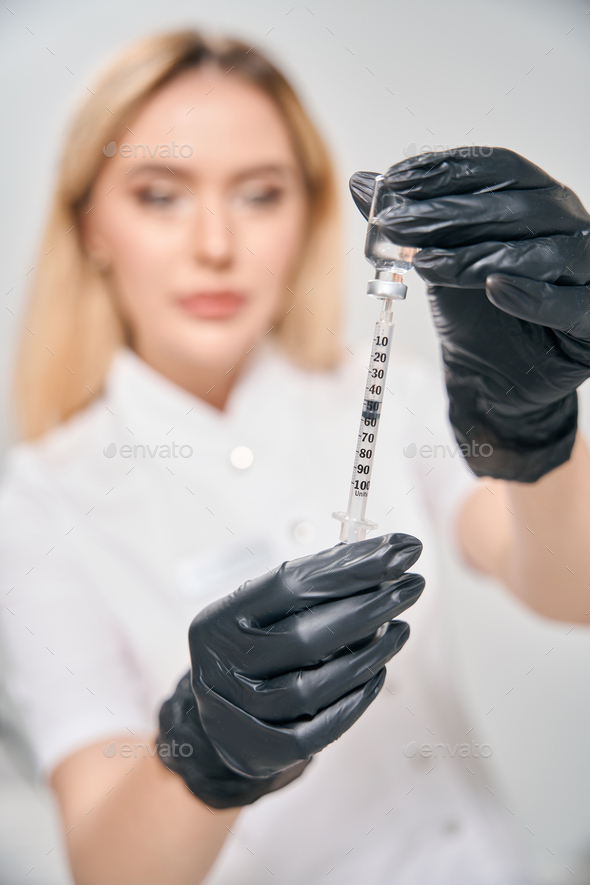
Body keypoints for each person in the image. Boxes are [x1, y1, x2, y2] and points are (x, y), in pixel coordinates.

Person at [1, 28, 590, 885]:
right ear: (91, 221)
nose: (215, 243)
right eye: (161, 194)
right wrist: (203, 746)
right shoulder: (42, 502)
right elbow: (108, 865)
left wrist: (531, 429)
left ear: (309, 212)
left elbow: (569, 588)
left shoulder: (391, 390)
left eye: (259, 194)